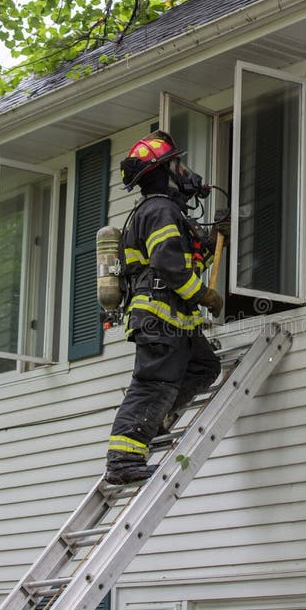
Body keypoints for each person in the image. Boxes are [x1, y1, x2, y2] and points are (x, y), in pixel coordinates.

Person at [104, 130, 226, 485]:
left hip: (175, 321)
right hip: (159, 318)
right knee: (152, 384)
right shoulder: (159, 210)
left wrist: (212, 238)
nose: (185, 171)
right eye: (177, 164)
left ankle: (155, 420)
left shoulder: (169, 213)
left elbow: (185, 262)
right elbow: (171, 266)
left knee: (204, 367)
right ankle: (123, 461)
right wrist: (204, 296)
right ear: (163, 172)